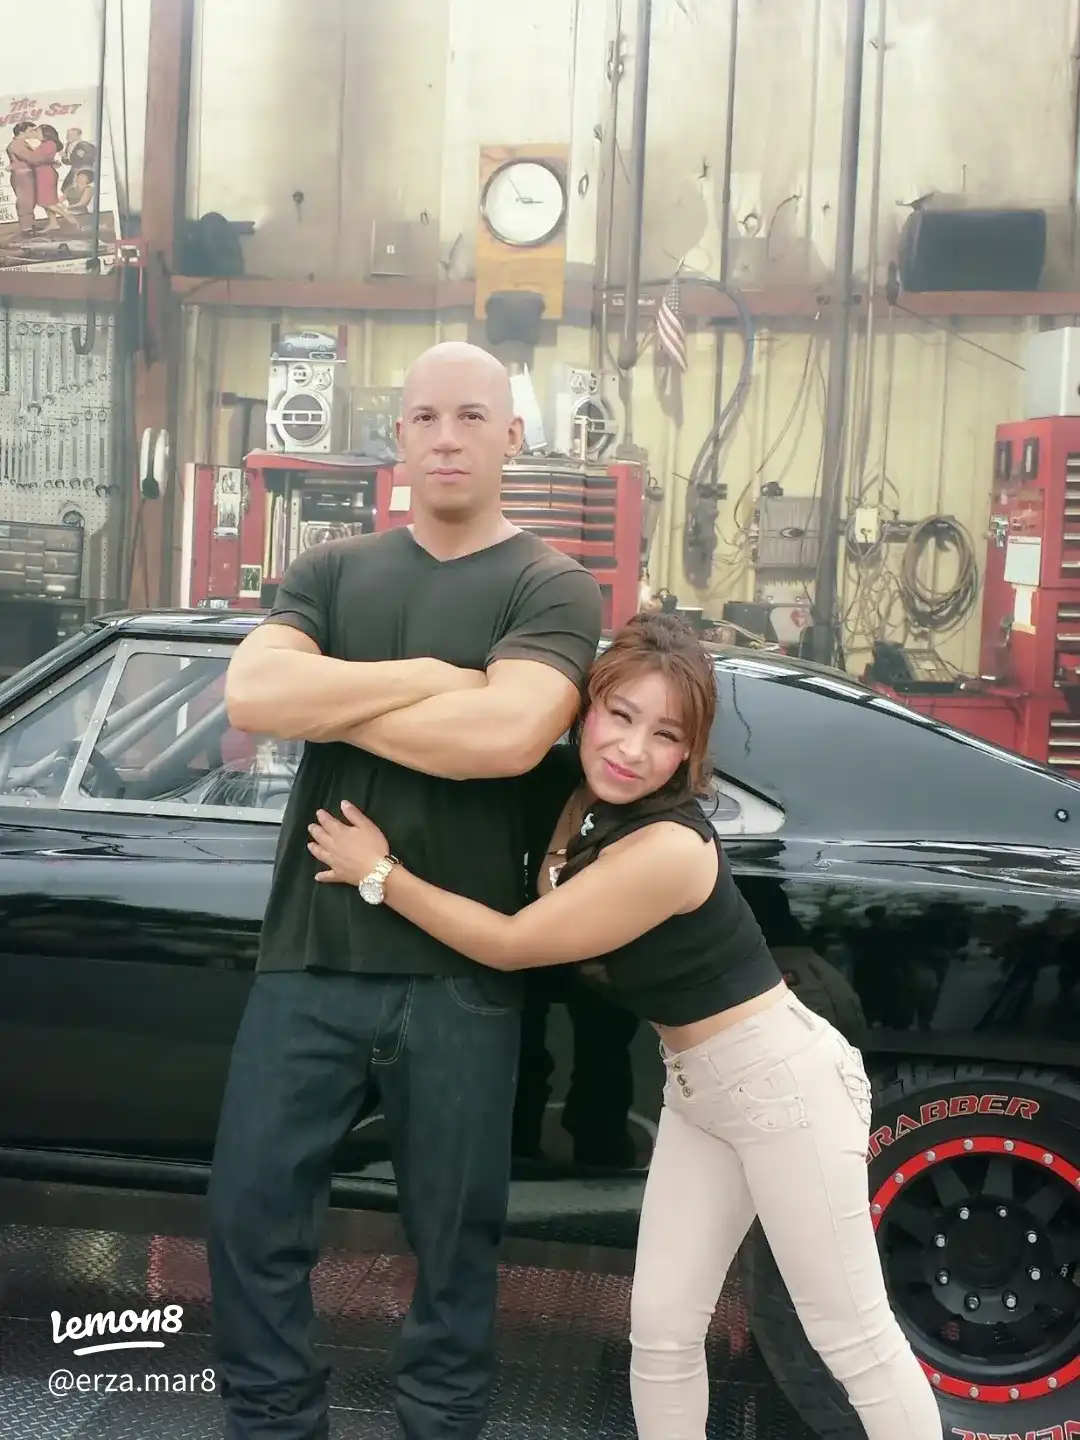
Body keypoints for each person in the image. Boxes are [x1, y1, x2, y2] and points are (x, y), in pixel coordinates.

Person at [305, 610, 943, 1440]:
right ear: (586, 708)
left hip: (784, 1086)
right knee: (663, 1330)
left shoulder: (668, 849)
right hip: (700, 1092)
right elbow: (485, 723)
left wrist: (380, 873)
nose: (633, 749)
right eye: (621, 715)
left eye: (666, 734)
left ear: (689, 753)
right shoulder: (584, 795)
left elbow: (509, 945)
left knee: (850, 1337)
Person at [209, 339, 603, 1440]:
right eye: (425, 416)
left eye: (472, 416)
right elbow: (253, 690)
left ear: (512, 436)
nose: (445, 435)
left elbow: (508, 735)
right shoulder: (335, 569)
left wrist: (331, 698)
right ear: (399, 435)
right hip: (310, 951)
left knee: (456, 1237)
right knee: (250, 1216)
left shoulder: (549, 582)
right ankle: (275, 1422)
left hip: (462, 972)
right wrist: (435, 679)